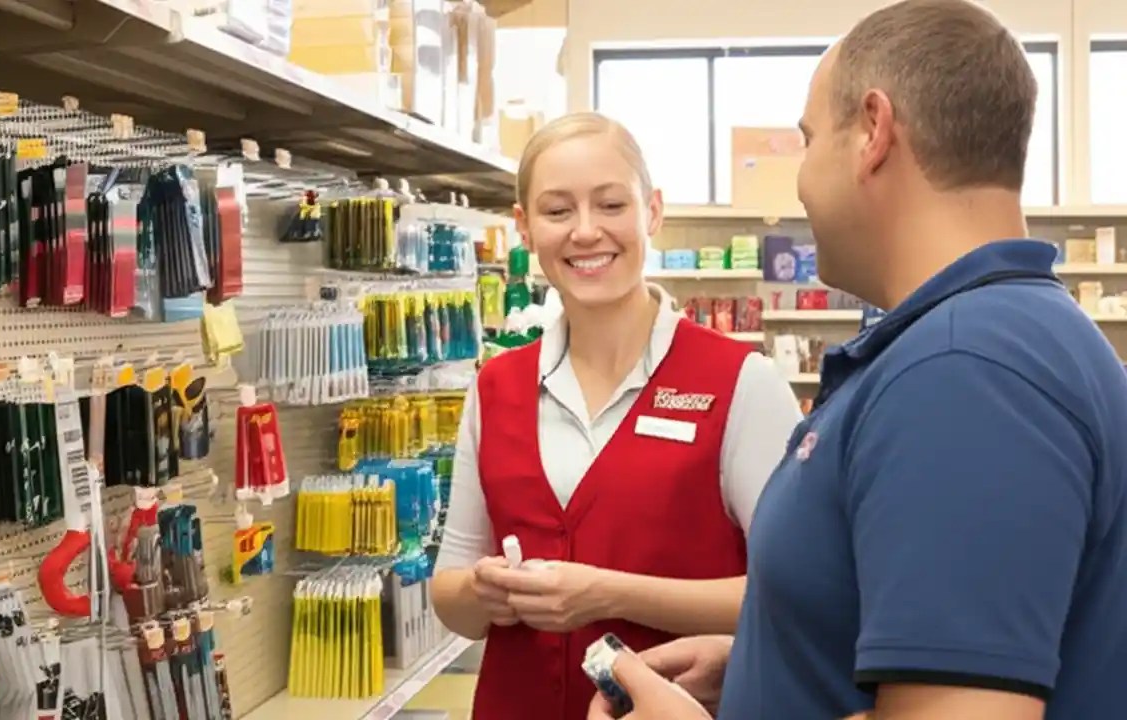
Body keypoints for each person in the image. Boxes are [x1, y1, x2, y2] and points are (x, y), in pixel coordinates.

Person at [588, 1, 1127, 719]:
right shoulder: (985, 341)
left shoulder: (965, 374)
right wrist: (773, 660)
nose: (801, 179)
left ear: (873, 131)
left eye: (808, 141)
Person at [429, 111, 802, 720]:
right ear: (523, 227)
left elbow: (795, 595)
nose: (585, 232)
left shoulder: (740, 385)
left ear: (651, 211)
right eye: (556, 211)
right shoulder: (495, 387)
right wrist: (484, 591)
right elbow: (451, 597)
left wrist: (607, 594)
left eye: (610, 205)